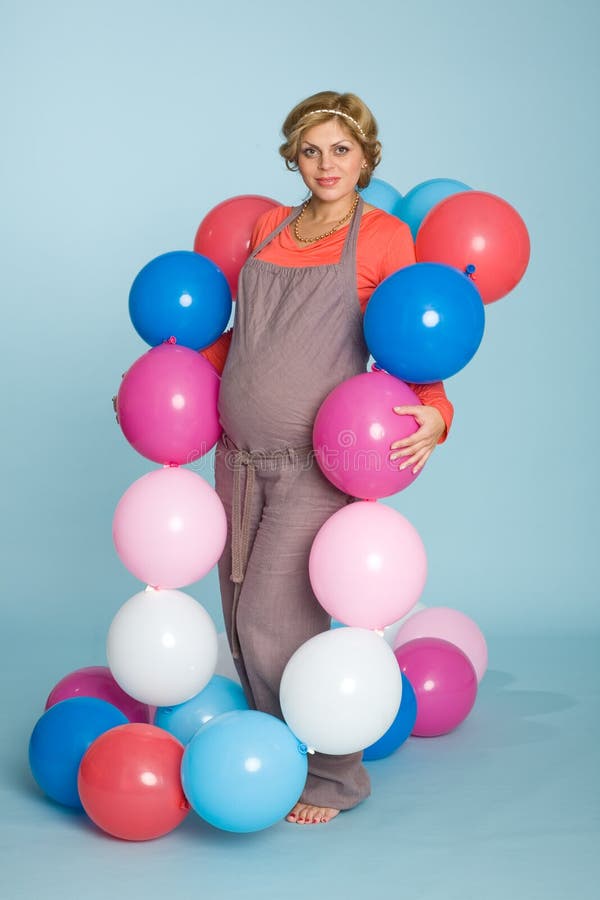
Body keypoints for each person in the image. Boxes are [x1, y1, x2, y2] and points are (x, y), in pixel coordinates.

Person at [201, 91, 454, 826]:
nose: (325, 164)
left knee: (274, 618)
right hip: (236, 456)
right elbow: (243, 338)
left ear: (366, 156)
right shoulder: (266, 225)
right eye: (310, 150)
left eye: (340, 150)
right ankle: (276, 756)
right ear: (292, 156)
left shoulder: (380, 239)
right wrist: (168, 376)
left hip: (321, 459)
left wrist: (437, 414)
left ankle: (336, 775)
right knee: (237, 608)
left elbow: (410, 342)